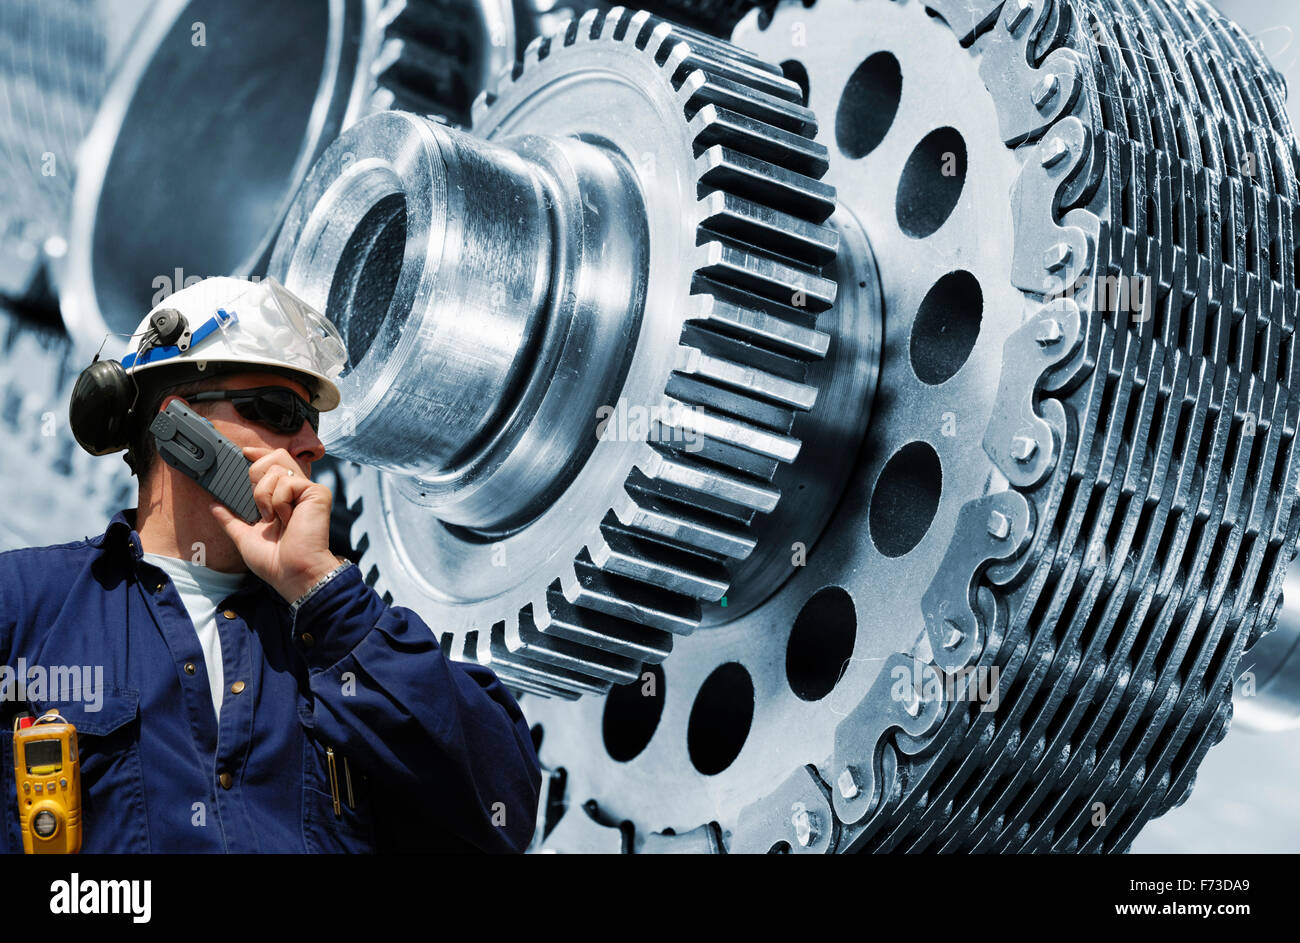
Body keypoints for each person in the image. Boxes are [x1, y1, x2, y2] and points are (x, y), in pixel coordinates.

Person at [0, 276, 541, 852]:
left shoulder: (351, 635)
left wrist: (322, 593)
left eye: (313, 418)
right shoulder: (24, 607)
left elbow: (504, 815)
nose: (312, 444)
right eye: (280, 410)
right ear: (182, 426)